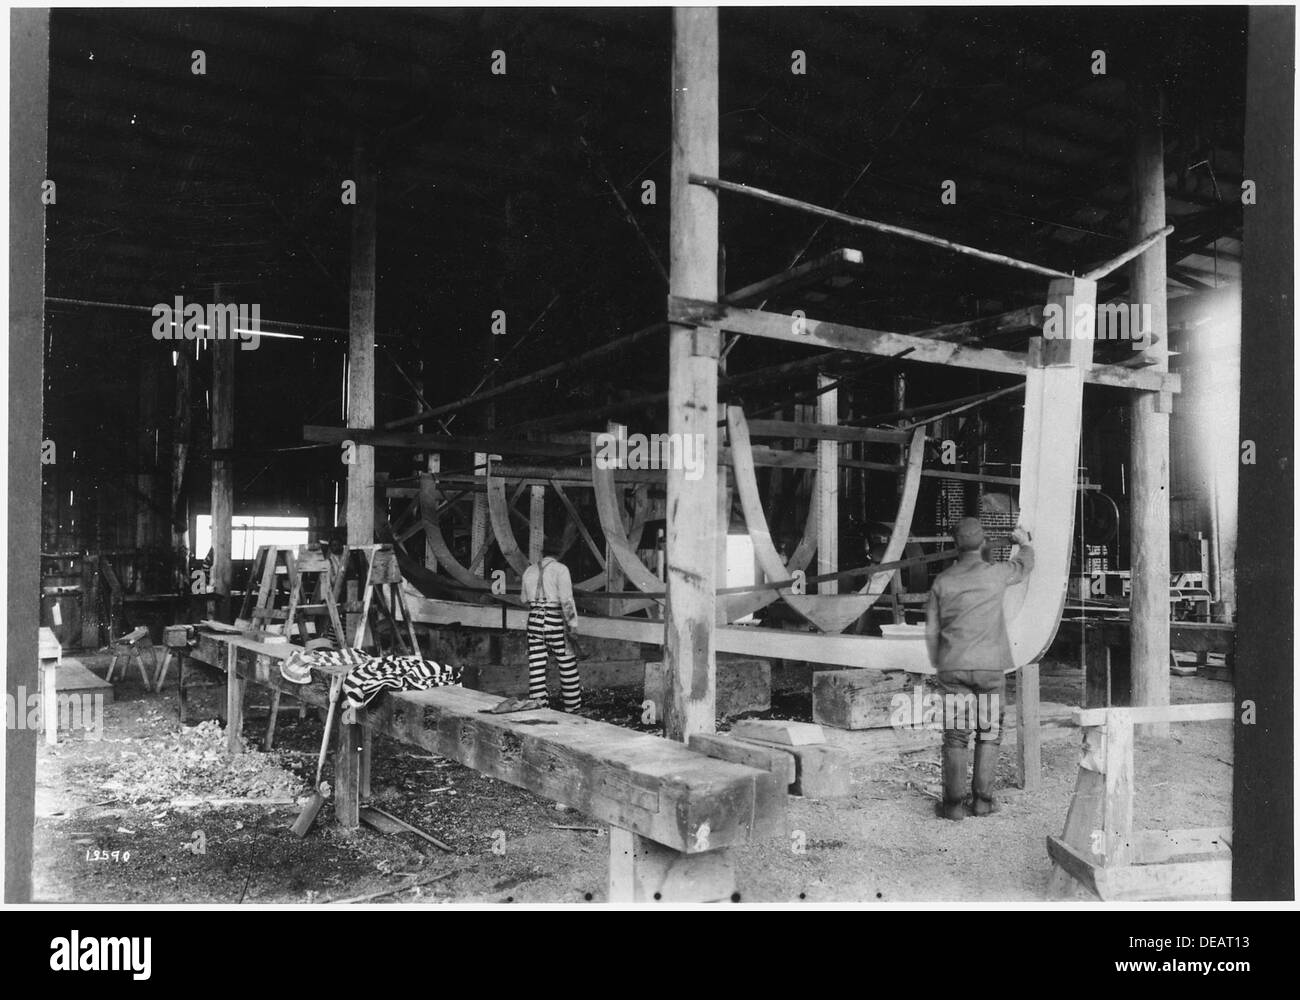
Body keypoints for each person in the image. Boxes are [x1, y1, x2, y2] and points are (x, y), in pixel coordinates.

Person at [925, 518, 1034, 820]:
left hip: (954, 666)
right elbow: (1024, 566)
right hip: (988, 668)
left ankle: (953, 806)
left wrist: (942, 664)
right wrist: (1023, 542)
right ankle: (983, 801)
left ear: (955, 545)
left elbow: (932, 631)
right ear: (984, 543)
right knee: (988, 732)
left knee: (956, 736)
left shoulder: (942, 582)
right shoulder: (996, 574)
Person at [520, 541, 583, 712]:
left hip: (534, 621)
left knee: (536, 665)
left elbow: (524, 599)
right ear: (560, 553)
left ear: (542, 553)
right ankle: (572, 707)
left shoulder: (529, 570)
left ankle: (539, 707)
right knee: (567, 663)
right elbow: (567, 601)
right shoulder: (561, 569)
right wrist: (573, 625)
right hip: (554, 620)